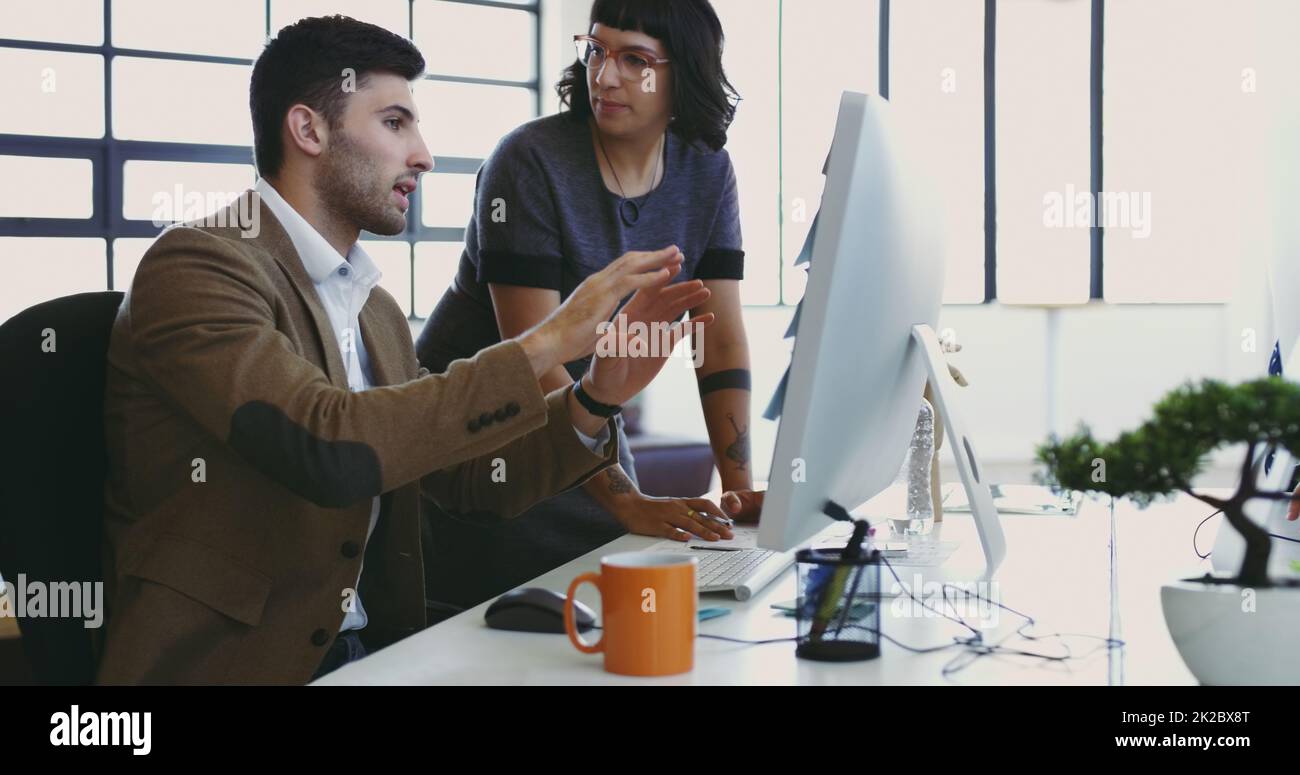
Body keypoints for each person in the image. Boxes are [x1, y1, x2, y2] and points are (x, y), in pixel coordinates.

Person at [96, 15, 712, 684]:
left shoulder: (373, 310)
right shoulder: (198, 267)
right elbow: (324, 445)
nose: (423, 154)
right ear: (308, 130)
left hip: (378, 658)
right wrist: (544, 343)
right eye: (395, 123)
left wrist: (597, 395)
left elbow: (472, 481)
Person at [415, 0, 754, 611]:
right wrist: (625, 500)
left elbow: (719, 340)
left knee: (607, 615)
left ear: (686, 73)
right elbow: (537, 358)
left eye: (635, 60)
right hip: (487, 440)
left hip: (588, 423)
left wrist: (739, 491)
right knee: (502, 629)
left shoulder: (707, 170)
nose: (605, 75)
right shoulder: (529, 161)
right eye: (596, 50)